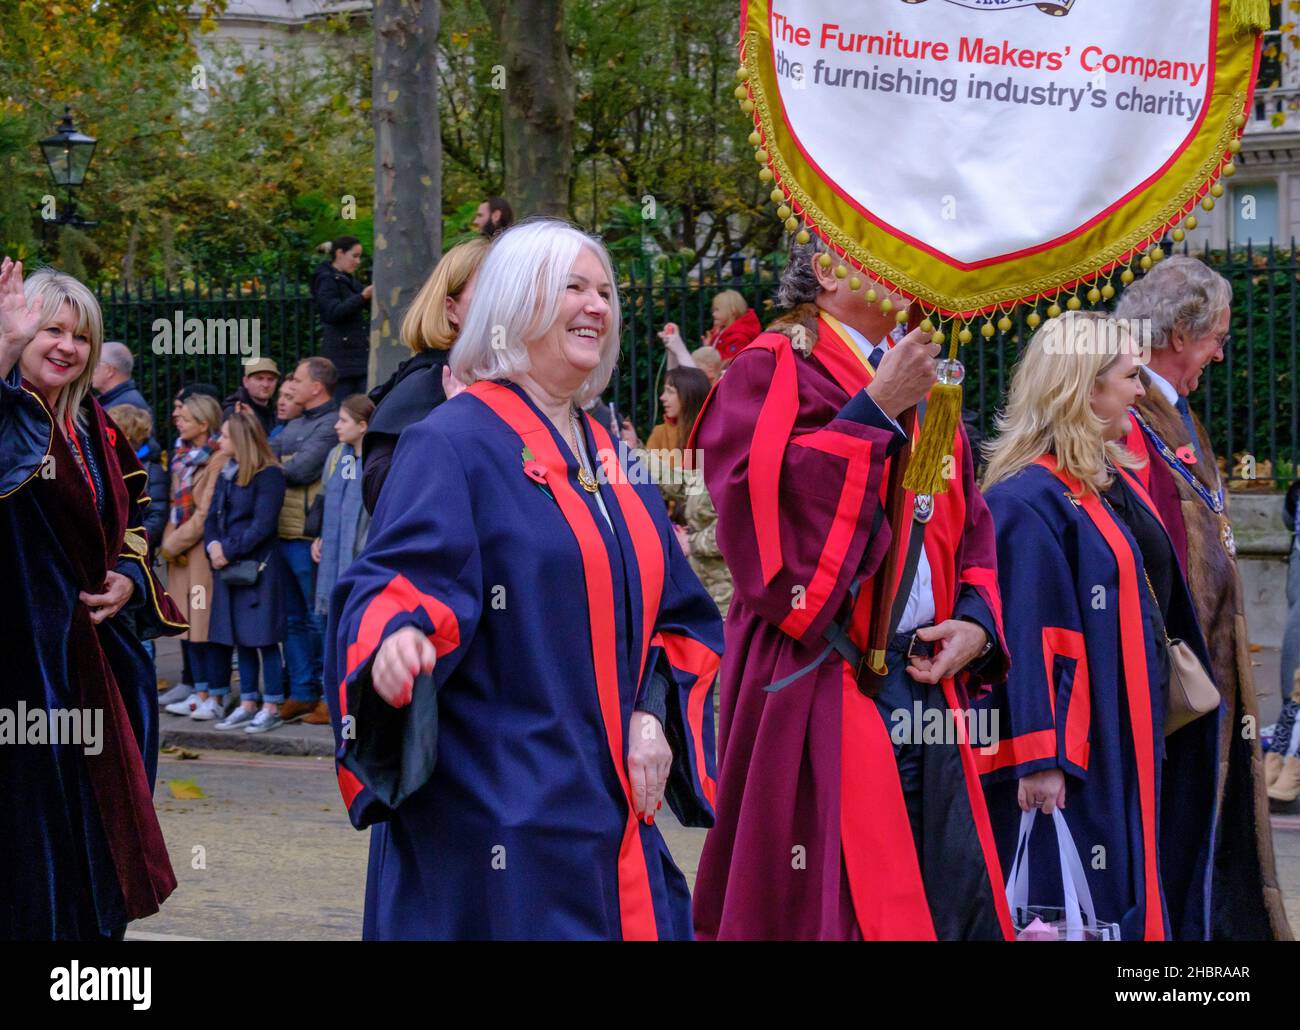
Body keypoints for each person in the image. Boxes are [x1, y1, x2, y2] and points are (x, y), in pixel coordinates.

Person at [325, 219, 723, 940]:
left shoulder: (608, 451)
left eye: (604, 290)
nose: (598, 304)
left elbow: (677, 613)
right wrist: (394, 641)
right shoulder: (452, 443)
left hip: (611, 820)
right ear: (512, 305)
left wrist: (652, 713)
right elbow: (400, 580)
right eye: (572, 286)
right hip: (497, 821)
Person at [691, 238, 1010, 941]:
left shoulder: (928, 378)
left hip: (930, 676)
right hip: (821, 676)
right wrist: (874, 409)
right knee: (832, 906)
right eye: (885, 251)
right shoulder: (768, 367)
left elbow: (965, 519)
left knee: (943, 892)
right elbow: (761, 523)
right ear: (829, 274)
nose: (911, 265)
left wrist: (976, 621)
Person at [980, 312, 1219, 941]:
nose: (1141, 390)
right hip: (1077, 750)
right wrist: (1038, 759)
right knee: (1080, 906)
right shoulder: (1025, 498)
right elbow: (1031, 641)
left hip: (1120, 731)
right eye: (1129, 377)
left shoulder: (1095, 483)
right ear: (1084, 388)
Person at [0, 259, 183, 938]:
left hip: (102, 668)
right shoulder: (7, 412)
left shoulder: (97, 426)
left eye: (80, 336)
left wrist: (131, 577)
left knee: (101, 841)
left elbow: (135, 516)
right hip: (24, 665)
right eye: (50, 329)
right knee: (31, 841)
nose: (66, 347)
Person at [1117, 256, 1292, 940]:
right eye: (1216, 336)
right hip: (1172, 674)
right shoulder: (1131, 410)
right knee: (1174, 843)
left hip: (1205, 668)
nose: (1221, 352)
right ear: (1179, 333)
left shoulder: (1171, 407)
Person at [362, 236, 489, 514]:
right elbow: (382, 494)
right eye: (490, 289)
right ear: (450, 309)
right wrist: (460, 425)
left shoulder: (524, 380)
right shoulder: (428, 380)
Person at [205, 412, 289, 734]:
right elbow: (212, 516)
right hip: (230, 566)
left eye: (225, 436)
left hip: (257, 568)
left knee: (264, 638)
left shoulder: (269, 475)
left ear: (241, 438)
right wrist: (213, 545)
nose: (220, 442)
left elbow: (263, 526)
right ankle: (247, 702)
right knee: (242, 639)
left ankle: (271, 705)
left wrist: (228, 549)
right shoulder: (227, 472)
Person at [272, 356, 339, 723]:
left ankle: (327, 698)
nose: (292, 385)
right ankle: (301, 692)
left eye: (297, 379)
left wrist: (284, 459)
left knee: (318, 619)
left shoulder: (331, 424)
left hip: (306, 536)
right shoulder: (296, 422)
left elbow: (299, 470)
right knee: (293, 620)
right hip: (282, 532)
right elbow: (269, 460)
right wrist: (281, 459)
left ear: (316, 386)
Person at [160, 394, 231, 721]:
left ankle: (211, 694)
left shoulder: (216, 458)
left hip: (198, 558)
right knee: (185, 624)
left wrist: (171, 545)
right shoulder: (181, 456)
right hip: (180, 556)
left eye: (185, 418)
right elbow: (175, 508)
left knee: (201, 623)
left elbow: (205, 514)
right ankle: (196, 691)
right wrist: (170, 543)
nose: (178, 420)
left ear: (204, 424)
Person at [309, 394, 374, 728]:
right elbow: (327, 503)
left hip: (359, 563)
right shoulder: (337, 455)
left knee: (355, 632)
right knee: (328, 626)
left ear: (362, 426)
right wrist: (320, 536)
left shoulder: (378, 460)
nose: (336, 426)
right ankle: (330, 696)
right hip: (331, 559)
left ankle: (353, 702)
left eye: (343, 420)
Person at [311, 236, 373, 401]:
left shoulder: (347, 280)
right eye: (354, 256)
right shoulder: (327, 279)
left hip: (356, 360)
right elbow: (332, 312)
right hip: (343, 363)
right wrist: (362, 297)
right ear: (339, 253)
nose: (358, 262)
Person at [107, 403, 168, 552]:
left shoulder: (151, 469)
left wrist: (129, 545)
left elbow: (156, 516)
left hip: (132, 552)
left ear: (125, 434)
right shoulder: (109, 462)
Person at [660, 290, 762, 368]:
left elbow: (728, 364)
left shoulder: (739, 337)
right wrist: (709, 347)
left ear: (732, 311)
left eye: (717, 310)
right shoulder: (722, 331)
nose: (713, 314)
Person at [223, 356, 280, 436]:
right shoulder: (235, 411)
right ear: (246, 381)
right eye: (259, 379)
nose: (266, 384)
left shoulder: (277, 411)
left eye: (271, 379)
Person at [92, 340, 150, 412]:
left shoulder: (127, 407)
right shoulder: (115, 400)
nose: (91, 371)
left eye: (95, 365)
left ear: (109, 370)